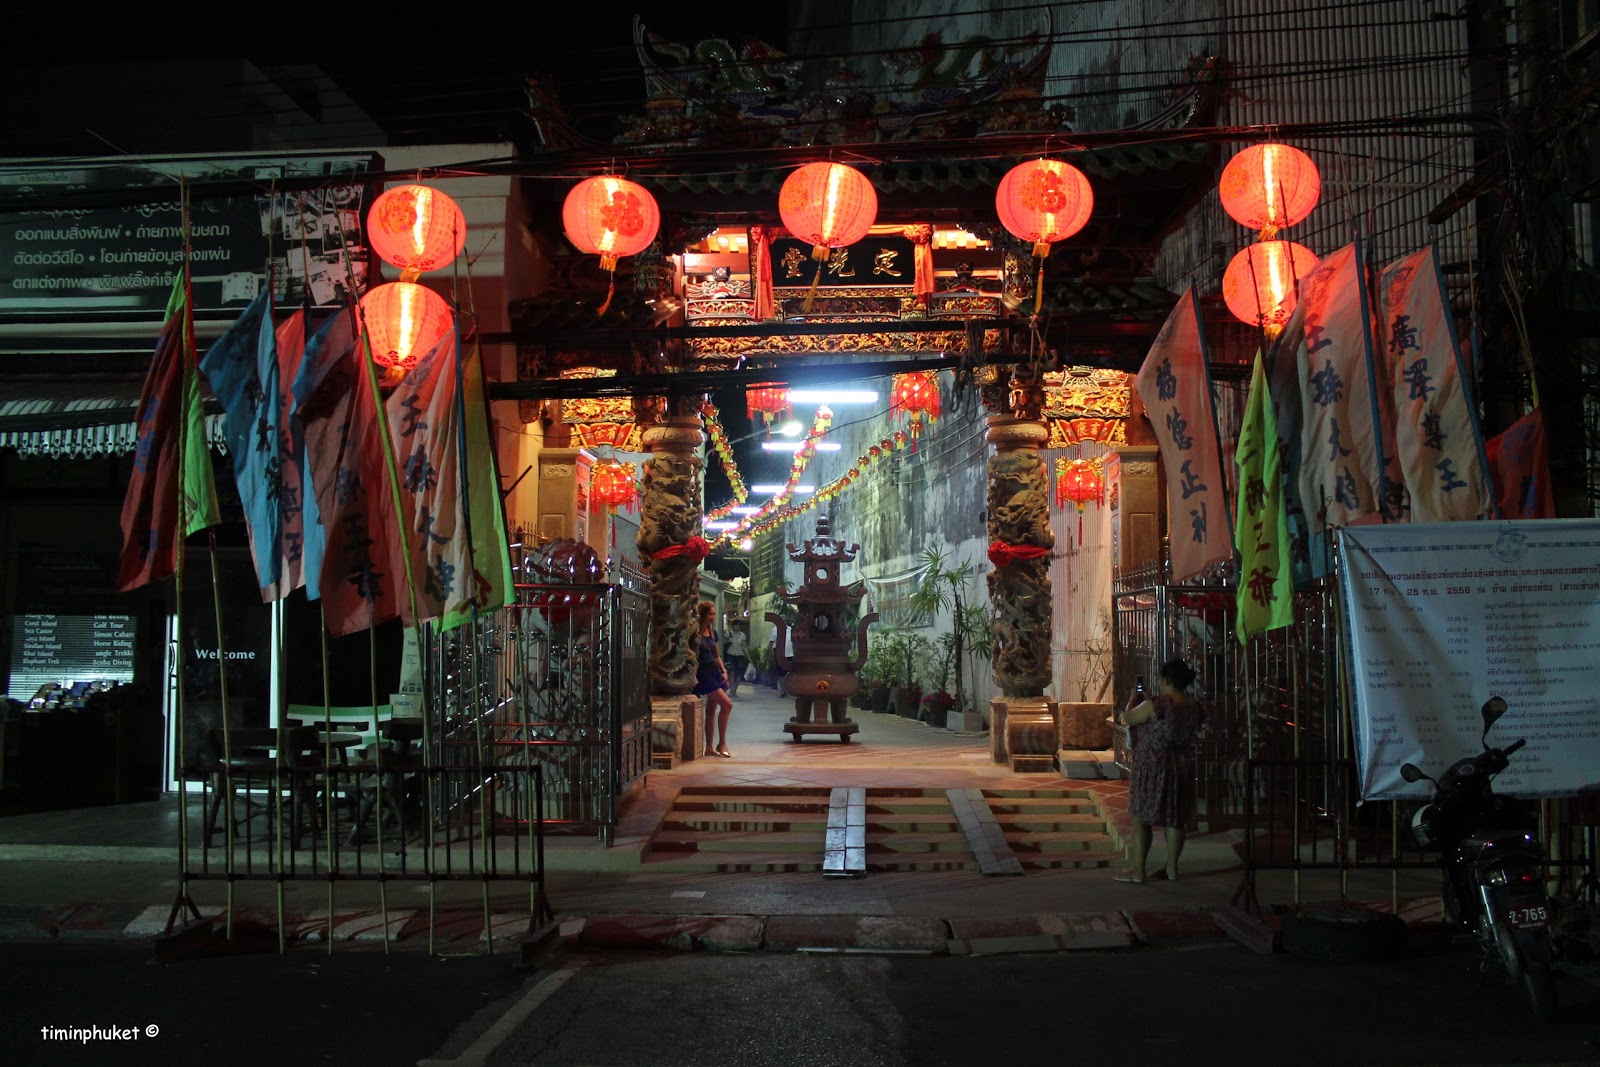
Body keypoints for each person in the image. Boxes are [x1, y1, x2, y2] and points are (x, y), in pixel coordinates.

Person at [1114, 658, 1205, 884]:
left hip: (1152, 766)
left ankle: (1138, 870)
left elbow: (1129, 717)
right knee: (1175, 818)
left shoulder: (1158, 704)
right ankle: (1172, 869)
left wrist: (1133, 700)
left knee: (1141, 816)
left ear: (1165, 679)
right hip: (1180, 764)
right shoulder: (1194, 705)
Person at [692, 601, 734, 757]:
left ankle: (709, 747)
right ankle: (722, 743)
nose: (712, 617)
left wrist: (723, 671)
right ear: (702, 615)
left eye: (714, 614)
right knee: (727, 705)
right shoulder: (695, 633)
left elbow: (716, 655)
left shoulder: (712, 632)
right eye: (710, 614)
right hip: (704, 674)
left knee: (711, 710)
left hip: (715, 672)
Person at [724, 623, 749, 698]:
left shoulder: (742, 635)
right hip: (730, 654)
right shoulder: (729, 633)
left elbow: (744, 646)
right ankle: (731, 691)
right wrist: (728, 640)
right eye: (735, 625)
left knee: (738, 674)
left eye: (738, 625)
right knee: (731, 673)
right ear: (733, 626)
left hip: (739, 655)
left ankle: (735, 690)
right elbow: (724, 642)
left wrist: (748, 656)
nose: (737, 626)